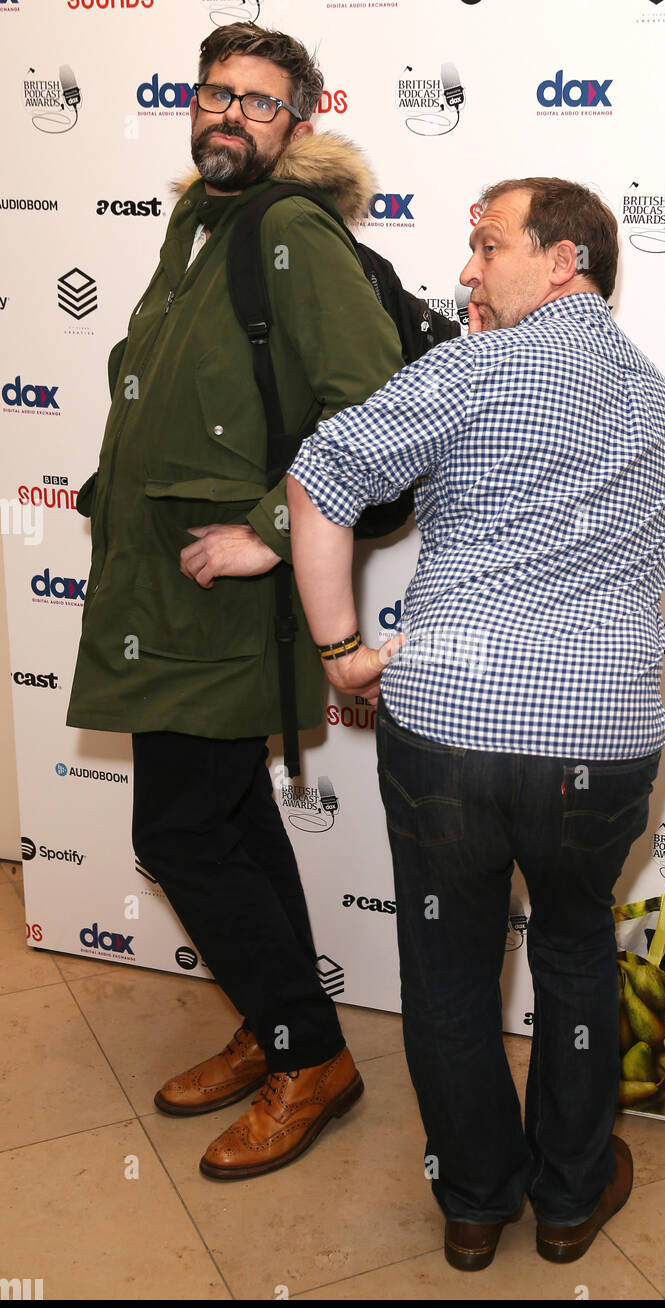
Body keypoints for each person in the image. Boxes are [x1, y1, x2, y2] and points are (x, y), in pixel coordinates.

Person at [286, 178, 665, 1267]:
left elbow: (317, 482)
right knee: (570, 953)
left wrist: (340, 653)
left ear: (562, 261)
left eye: (484, 246)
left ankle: (471, 1205)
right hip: (599, 741)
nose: (464, 271)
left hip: (451, 728)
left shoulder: (473, 366)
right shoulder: (655, 399)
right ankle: (565, 1200)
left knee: (449, 967)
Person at [66, 22, 406, 1181]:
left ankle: (310, 1057)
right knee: (231, 822)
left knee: (176, 828)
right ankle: (277, 1026)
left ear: (296, 121)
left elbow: (370, 416)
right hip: (157, 581)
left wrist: (272, 533)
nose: (232, 116)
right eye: (217, 94)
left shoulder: (291, 232)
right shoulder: (195, 223)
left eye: (260, 103)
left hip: (219, 599)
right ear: (194, 103)